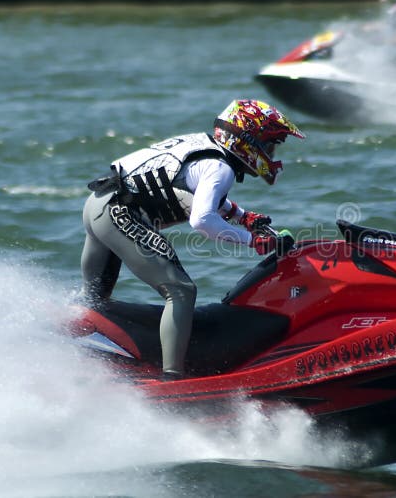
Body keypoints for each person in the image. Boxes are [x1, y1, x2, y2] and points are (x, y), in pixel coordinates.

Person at [79, 99, 304, 380]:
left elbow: (189, 190)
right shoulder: (220, 168)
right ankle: (172, 378)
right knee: (181, 290)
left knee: (93, 304)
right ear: (248, 140)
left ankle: (87, 355)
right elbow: (202, 220)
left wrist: (242, 216)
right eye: (269, 145)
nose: (271, 154)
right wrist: (253, 241)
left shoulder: (204, 147)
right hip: (118, 213)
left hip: (98, 204)